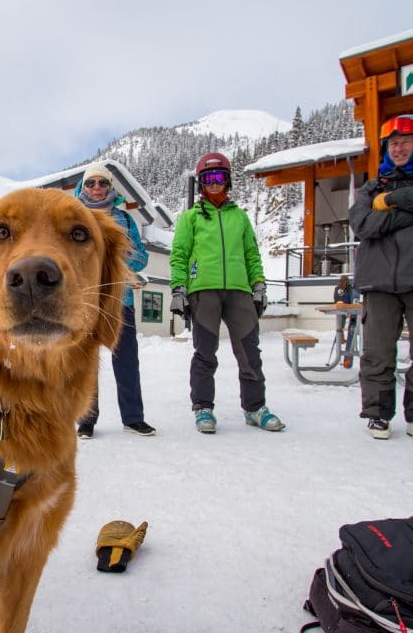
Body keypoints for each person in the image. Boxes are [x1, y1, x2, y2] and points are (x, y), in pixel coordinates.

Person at [169, 152, 285, 434]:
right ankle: (203, 408)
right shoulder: (190, 218)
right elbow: (179, 255)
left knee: (249, 353)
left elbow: (251, 254)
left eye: (219, 177)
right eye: (208, 179)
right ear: (200, 184)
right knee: (205, 353)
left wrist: (258, 285)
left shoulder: (240, 218)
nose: (214, 184)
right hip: (203, 291)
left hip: (239, 291)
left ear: (228, 180)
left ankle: (255, 408)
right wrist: (178, 289)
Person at [75, 163, 156, 438]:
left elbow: (141, 256)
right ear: (83, 187)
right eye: (91, 183)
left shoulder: (124, 219)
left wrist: (112, 258)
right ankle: (86, 420)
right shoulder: (74, 216)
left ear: (111, 187)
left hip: (121, 301)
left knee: (127, 361)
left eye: (103, 183)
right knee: (84, 363)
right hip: (83, 302)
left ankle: (133, 418)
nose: (97, 188)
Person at [348, 114, 413, 440]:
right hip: (378, 281)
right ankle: (378, 414)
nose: (399, 148)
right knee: (377, 352)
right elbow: (362, 225)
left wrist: (386, 209)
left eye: (405, 142)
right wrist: (397, 205)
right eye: (394, 144)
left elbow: (375, 222)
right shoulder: (371, 189)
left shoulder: (378, 198)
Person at [333, 274, 359, 369]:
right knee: (351, 331)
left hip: (339, 311)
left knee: (340, 328)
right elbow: (354, 301)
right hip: (350, 311)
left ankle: (340, 337)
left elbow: (335, 299)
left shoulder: (337, 289)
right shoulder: (351, 289)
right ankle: (347, 361)